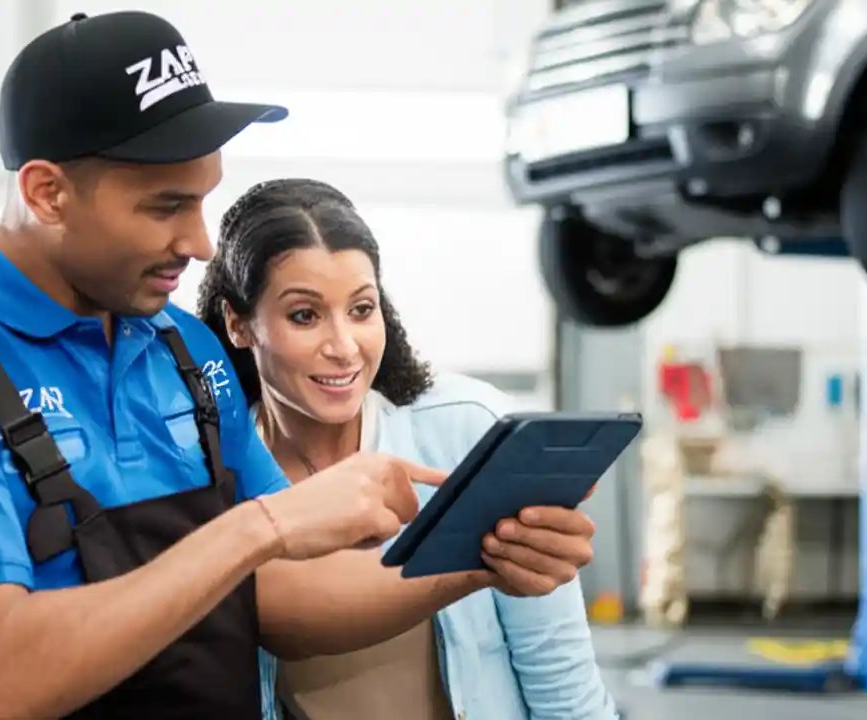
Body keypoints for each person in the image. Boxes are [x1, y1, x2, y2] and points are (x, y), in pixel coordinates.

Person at [0, 11, 600, 720]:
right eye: (166, 206)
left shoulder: (185, 354)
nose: (200, 244)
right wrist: (261, 527)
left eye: (205, 200)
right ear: (47, 193)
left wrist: (481, 558)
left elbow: (280, 602)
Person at [196, 177, 620, 720]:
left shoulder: (469, 433)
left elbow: (565, 686)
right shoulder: (212, 471)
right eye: (304, 315)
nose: (343, 347)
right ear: (238, 323)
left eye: (361, 309)